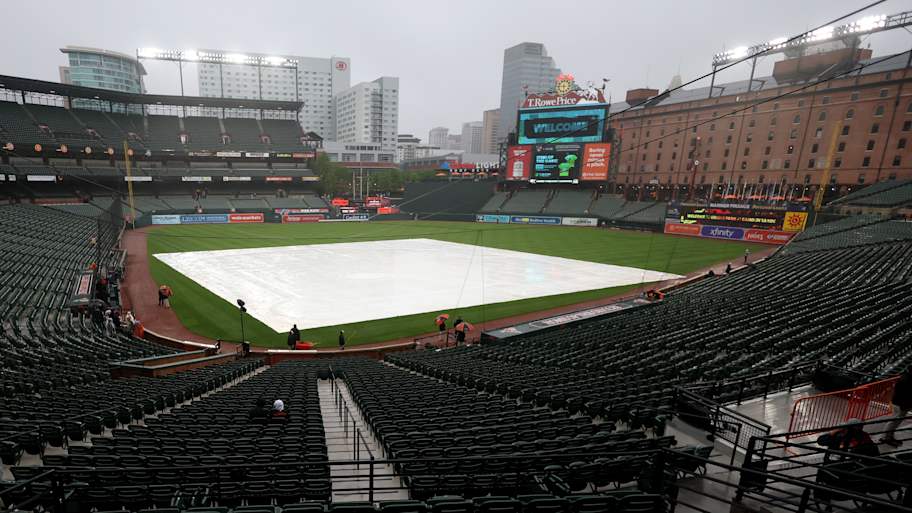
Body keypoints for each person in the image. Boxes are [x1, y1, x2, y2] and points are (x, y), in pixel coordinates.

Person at [882, 368, 912, 447]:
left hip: (900, 403)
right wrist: (904, 405)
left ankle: (889, 436)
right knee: (894, 421)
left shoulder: (905, 377)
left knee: (895, 421)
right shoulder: (907, 379)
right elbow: (904, 394)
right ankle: (885, 437)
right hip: (901, 404)